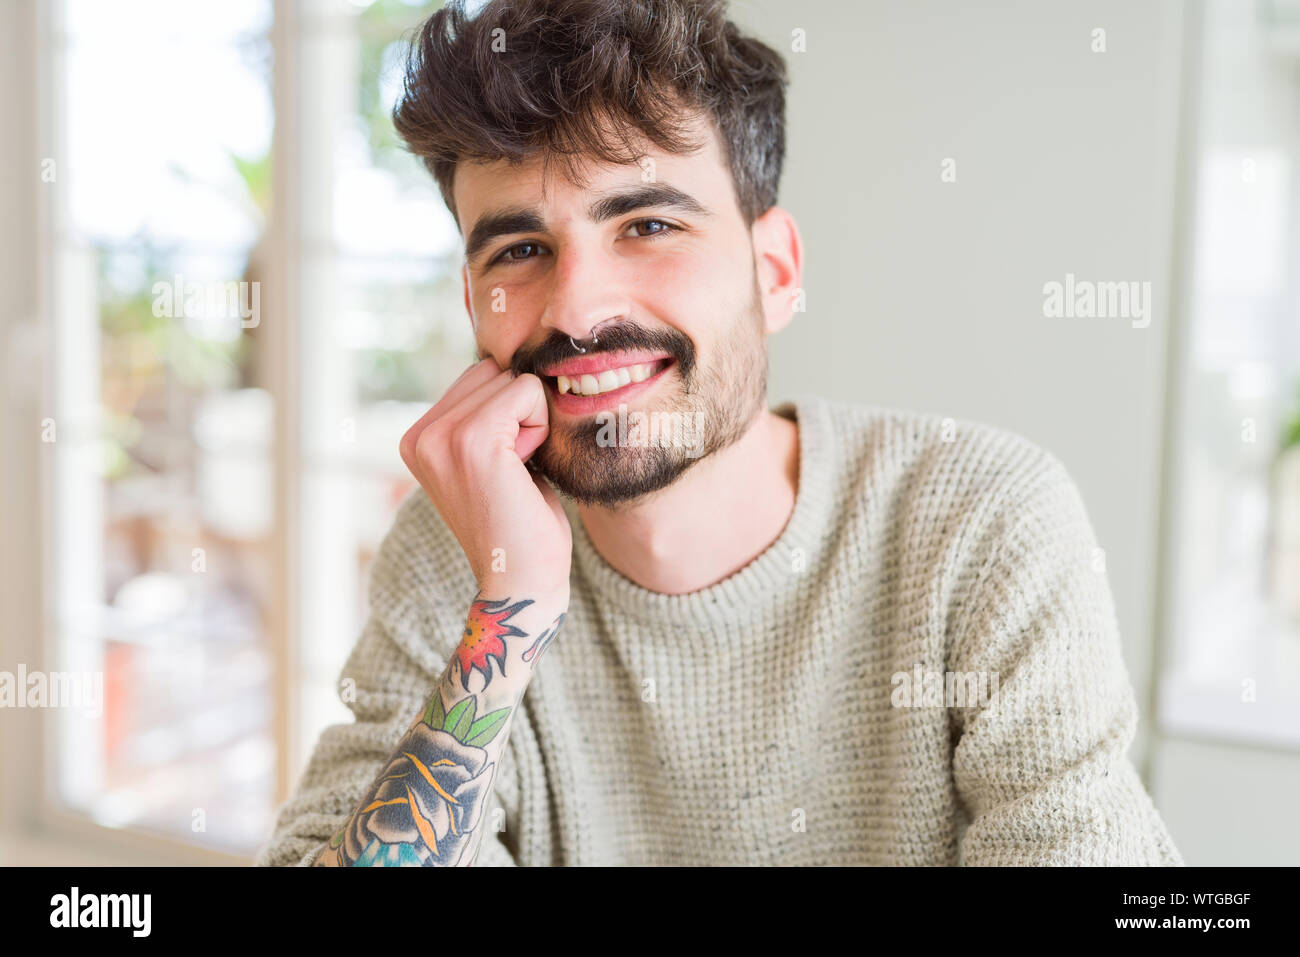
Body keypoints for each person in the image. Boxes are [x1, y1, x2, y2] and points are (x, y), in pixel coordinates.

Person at [255, 0, 1182, 867]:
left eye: (649, 223)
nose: (576, 310)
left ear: (773, 272)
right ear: (474, 302)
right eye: (521, 250)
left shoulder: (982, 522)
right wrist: (512, 611)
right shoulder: (460, 556)